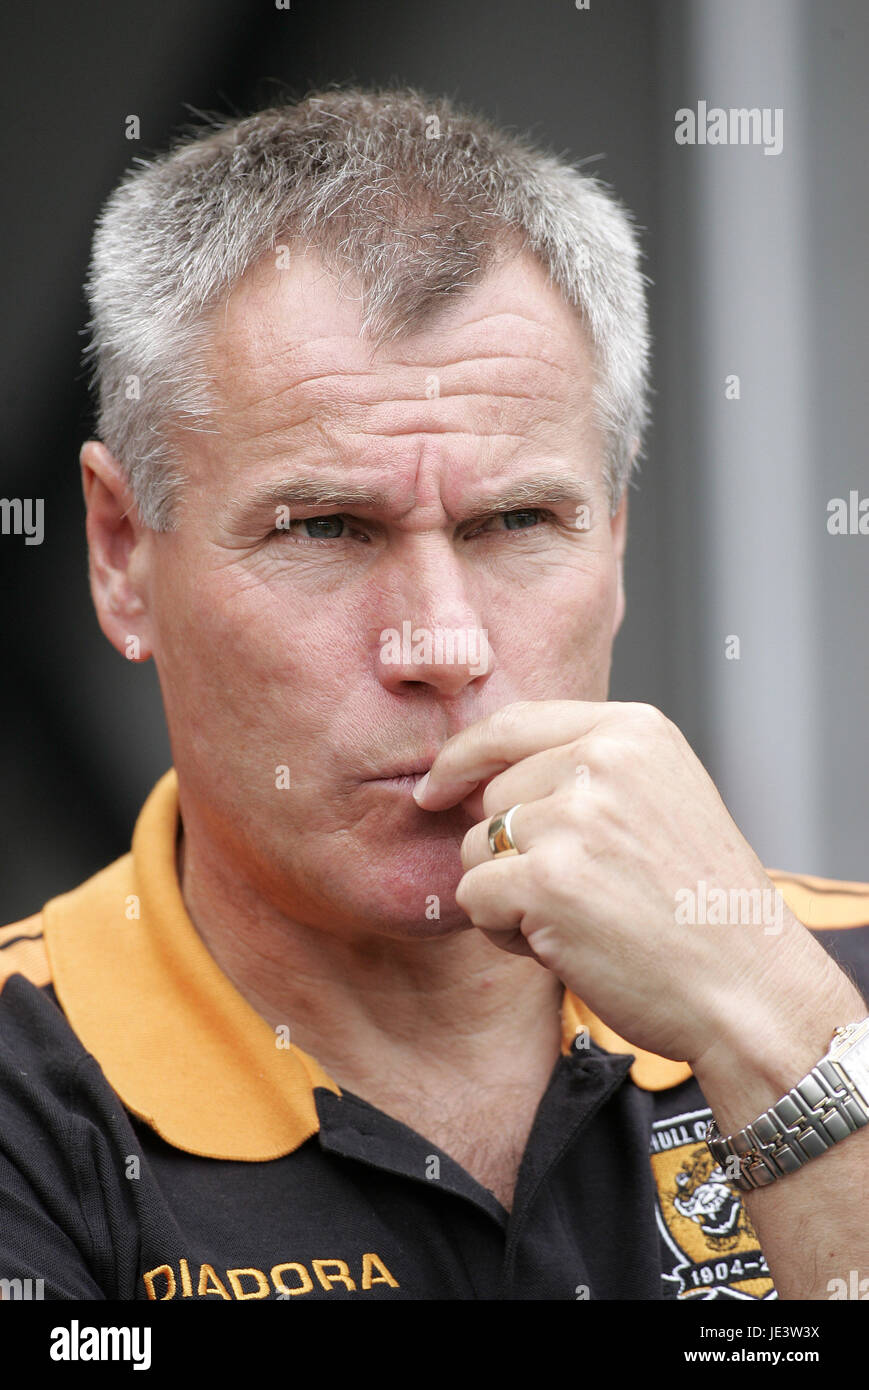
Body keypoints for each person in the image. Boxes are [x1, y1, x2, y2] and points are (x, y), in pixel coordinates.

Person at [1, 85, 867, 1303]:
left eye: (516, 520)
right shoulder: (26, 1096)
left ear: (613, 545)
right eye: (326, 527)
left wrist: (777, 1038)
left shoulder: (837, 982)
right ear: (119, 553)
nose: (440, 641)